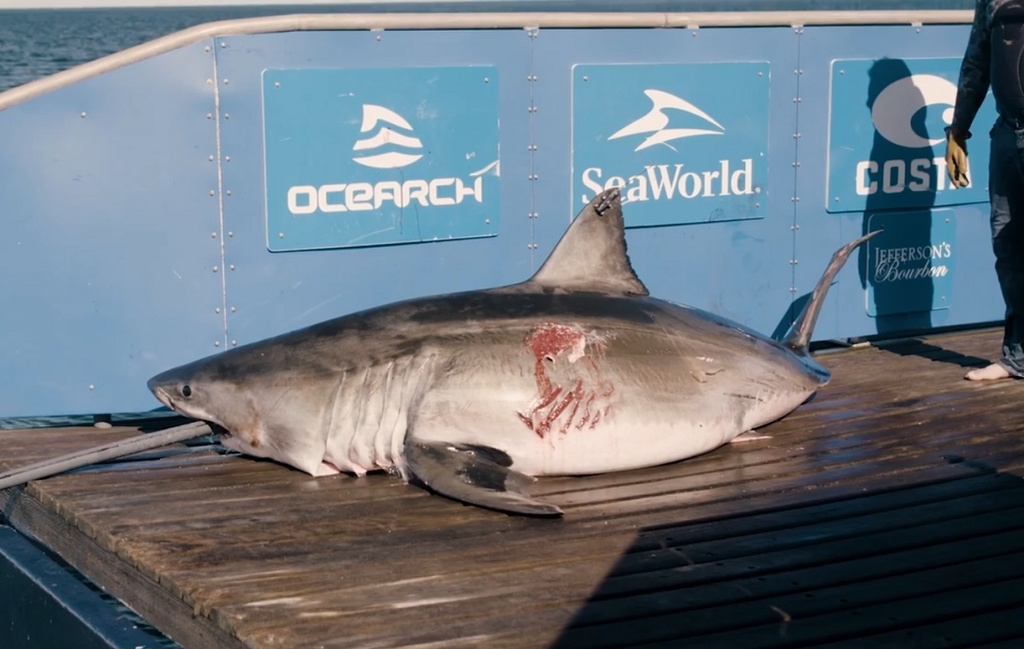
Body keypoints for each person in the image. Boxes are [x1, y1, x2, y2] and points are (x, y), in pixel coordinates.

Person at [946, 0, 1024, 381]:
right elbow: (978, 59)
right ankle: (1019, 357)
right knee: (1008, 246)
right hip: (1007, 134)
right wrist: (958, 130)